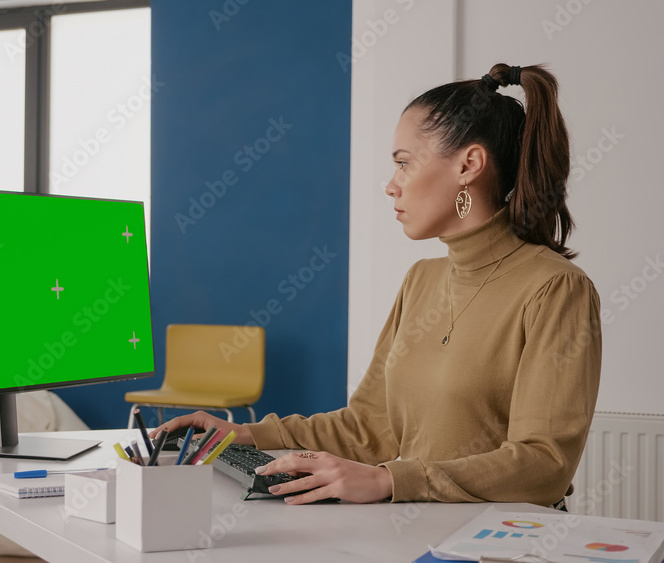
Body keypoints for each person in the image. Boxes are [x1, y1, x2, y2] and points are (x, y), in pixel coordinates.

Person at [153, 64, 601, 507]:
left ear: (469, 165)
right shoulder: (421, 279)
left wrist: (389, 480)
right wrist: (246, 433)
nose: (391, 186)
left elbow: (545, 465)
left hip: (503, 543)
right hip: (416, 528)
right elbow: (368, 426)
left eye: (404, 164)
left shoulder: (556, 289)